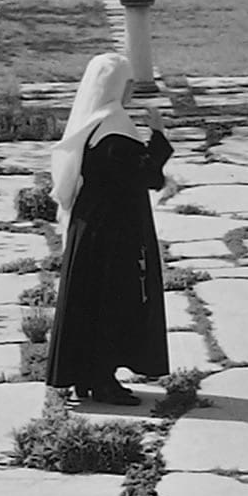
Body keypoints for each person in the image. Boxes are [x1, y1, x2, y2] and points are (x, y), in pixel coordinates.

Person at [43, 48, 174, 397]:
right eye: (129, 83)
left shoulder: (94, 121)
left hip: (91, 226)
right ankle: (101, 379)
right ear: (119, 87)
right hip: (114, 233)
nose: (131, 91)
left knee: (89, 299)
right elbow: (145, 176)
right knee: (111, 300)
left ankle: (87, 375)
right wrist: (159, 136)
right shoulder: (116, 126)